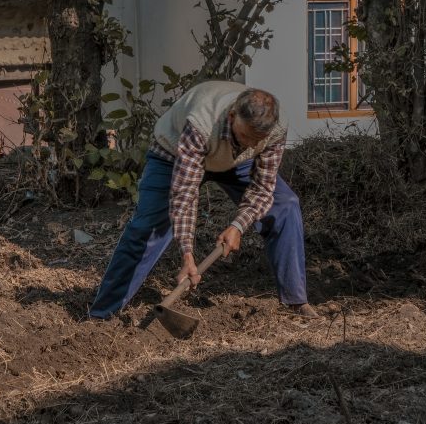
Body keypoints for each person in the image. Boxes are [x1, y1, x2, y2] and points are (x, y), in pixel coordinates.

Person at [88, 80, 317, 320]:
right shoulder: (200, 123)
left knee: (285, 205)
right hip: (173, 154)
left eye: (258, 139)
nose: (252, 144)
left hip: (235, 161)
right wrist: (188, 255)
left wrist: (238, 226)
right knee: (148, 228)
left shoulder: (274, 129)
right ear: (231, 117)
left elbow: (263, 188)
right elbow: (185, 193)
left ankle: (295, 300)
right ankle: (103, 313)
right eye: (246, 136)